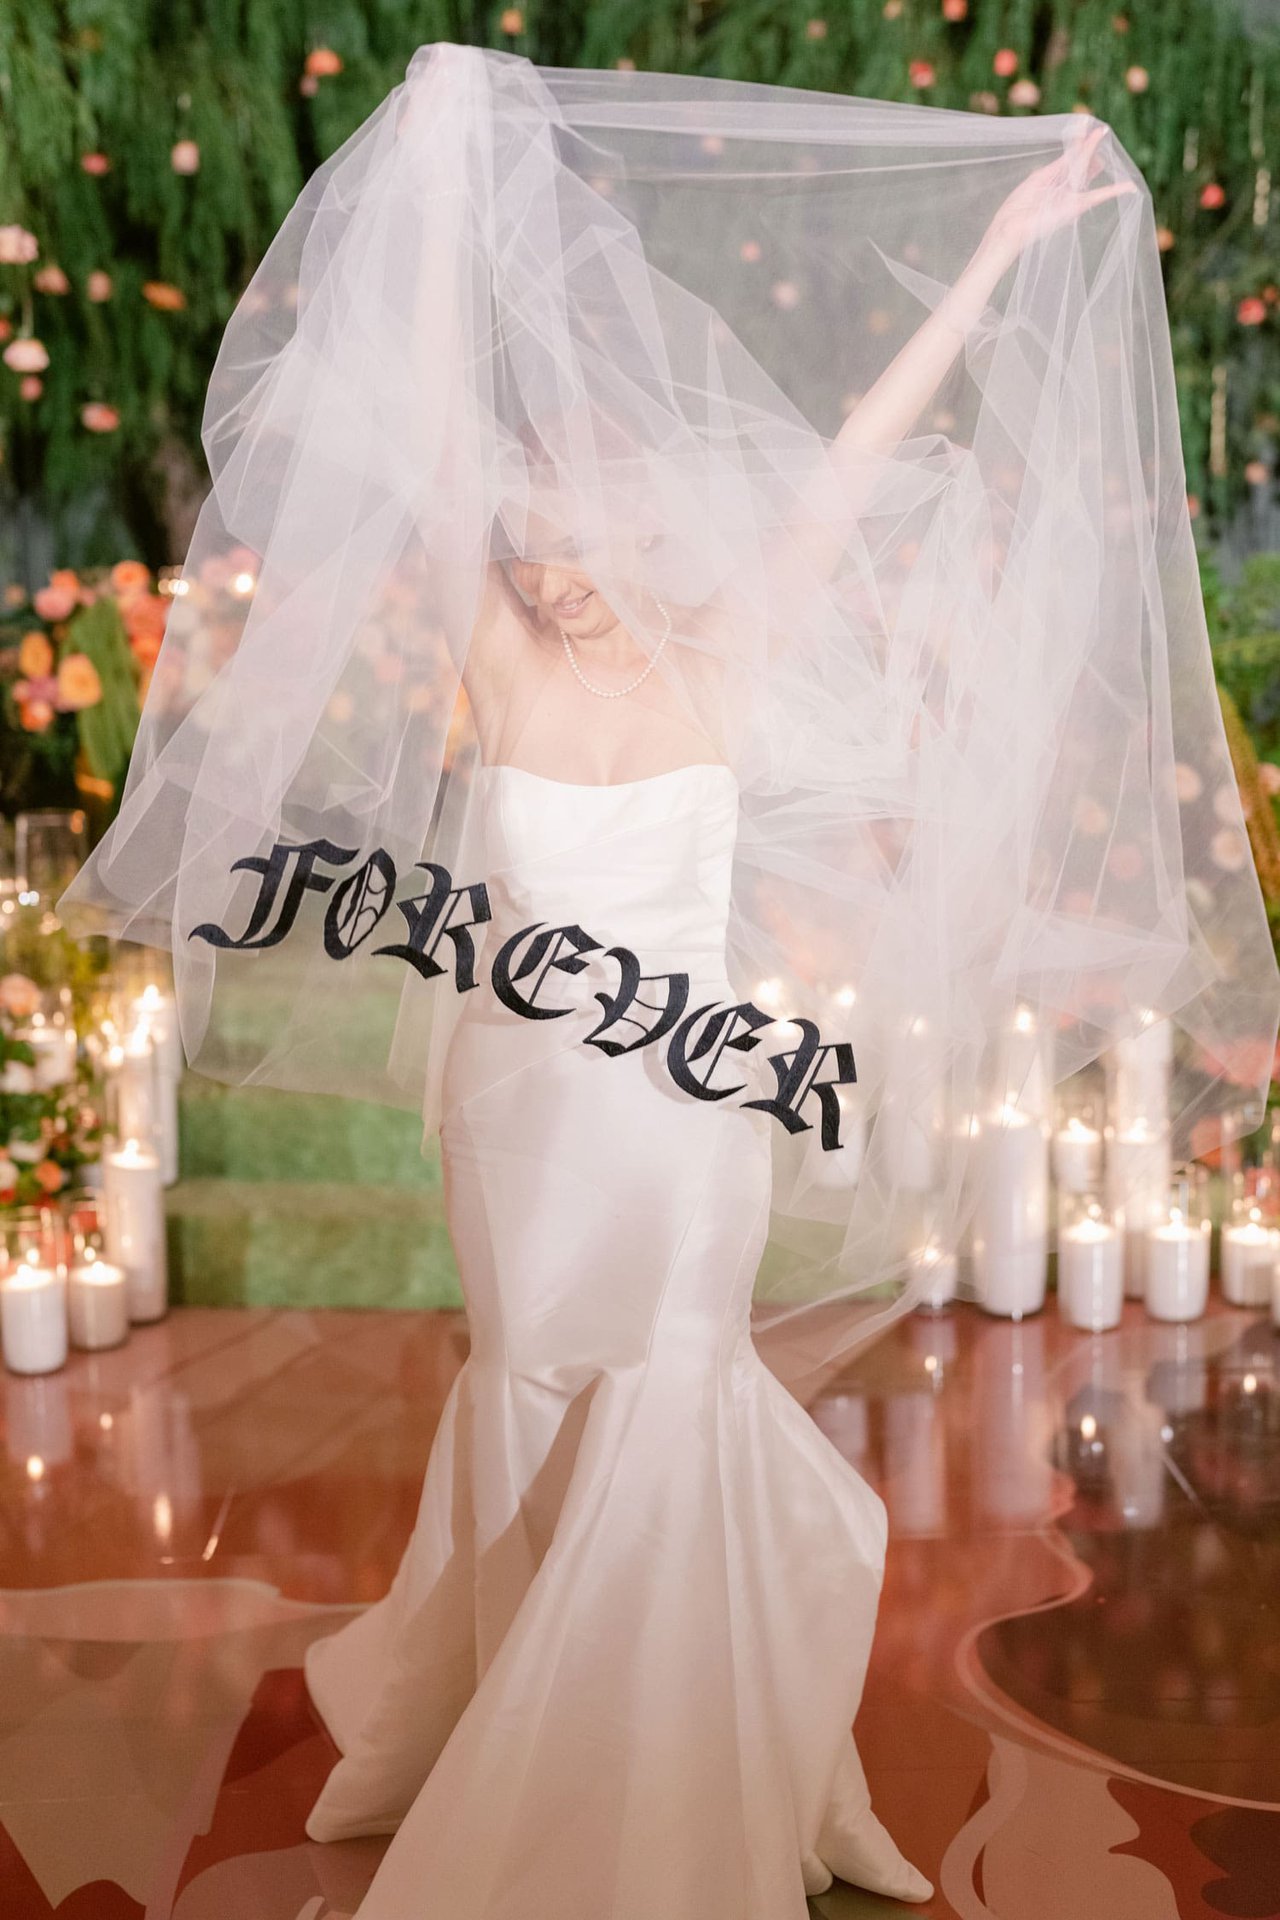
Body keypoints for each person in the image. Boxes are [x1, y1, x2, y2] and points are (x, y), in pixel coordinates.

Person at [58, 42, 1279, 1920]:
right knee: (542, 1388)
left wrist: (995, 253)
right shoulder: (504, 663)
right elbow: (435, 437)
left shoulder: (725, 656)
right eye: (552, 522)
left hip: (688, 1109)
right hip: (526, 1114)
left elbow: (868, 444)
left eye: (616, 515)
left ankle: (717, 1768)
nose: (583, 546)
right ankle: (520, 1717)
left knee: (678, 1391)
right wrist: (453, 169)